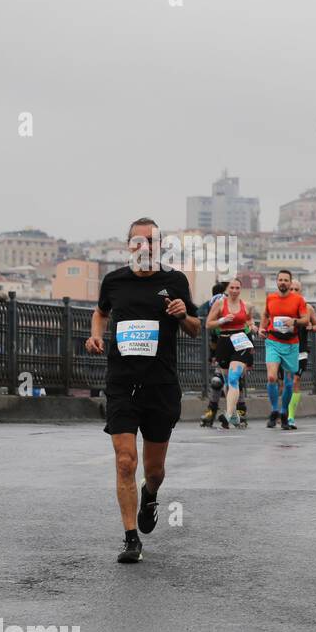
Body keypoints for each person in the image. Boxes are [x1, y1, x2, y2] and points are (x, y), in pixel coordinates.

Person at [85, 218, 199, 563]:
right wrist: (95, 334)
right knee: (124, 462)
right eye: (138, 241)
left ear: (160, 246)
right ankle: (130, 538)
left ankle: (150, 495)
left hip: (160, 386)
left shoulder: (175, 281)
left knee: (154, 471)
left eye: (151, 241)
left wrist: (182, 315)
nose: (144, 246)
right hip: (121, 383)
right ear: (129, 246)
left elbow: (195, 329)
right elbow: (100, 312)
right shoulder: (114, 281)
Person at [204, 277, 256, 429]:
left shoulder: (246, 305)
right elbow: (208, 324)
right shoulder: (220, 304)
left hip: (240, 341)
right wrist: (222, 320)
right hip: (224, 342)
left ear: (241, 289)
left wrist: (253, 327)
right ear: (227, 290)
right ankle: (233, 414)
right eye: (231, 288)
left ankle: (229, 413)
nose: (234, 291)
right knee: (227, 381)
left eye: (237, 288)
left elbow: (249, 320)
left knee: (234, 378)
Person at [259, 270, 308, 430]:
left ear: (290, 282)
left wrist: (293, 321)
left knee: (288, 384)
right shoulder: (270, 298)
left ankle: (284, 412)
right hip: (273, 341)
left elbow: (305, 319)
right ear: (276, 282)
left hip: (291, 344)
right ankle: (274, 410)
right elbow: (266, 315)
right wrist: (261, 327)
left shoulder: (298, 300)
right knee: (272, 377)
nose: (283, 283)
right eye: (280, 280)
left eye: (286, 280)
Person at [199, 280, 231, 427]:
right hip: (222, 346)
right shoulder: (216, 309)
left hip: (237, 347)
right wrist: (212, 354)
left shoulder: (237, 306)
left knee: (234, 381)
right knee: (217, 381)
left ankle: (239, 412)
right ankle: (212, 411)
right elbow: (213, 336)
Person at [286, 287, 316, 430]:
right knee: (284, 384)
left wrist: (311, 327)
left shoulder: (308, 308)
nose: (293, 290)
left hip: (301, 349)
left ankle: (291, 416)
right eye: (291, 288)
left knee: (295, 381)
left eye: (296, 289)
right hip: (284, 349)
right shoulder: (283, 307)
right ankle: (283, 413)